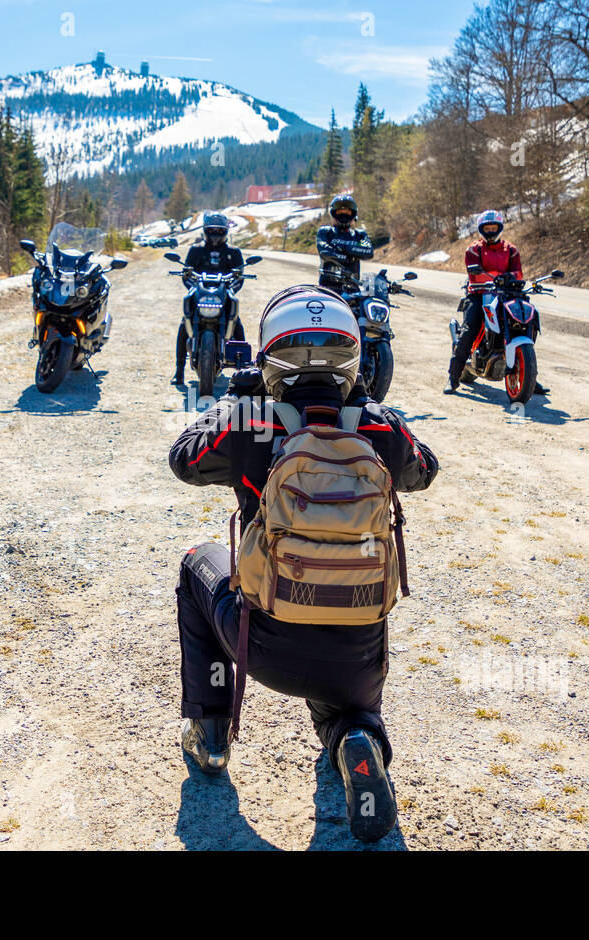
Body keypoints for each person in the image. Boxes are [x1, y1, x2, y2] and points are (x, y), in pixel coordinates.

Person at [168, 285, 438, 842]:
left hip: (263, 643)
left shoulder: (248, 422)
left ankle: (211, 732)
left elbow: (183, 459)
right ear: (352, 358)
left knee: (197, 562)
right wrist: (368, 408)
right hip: (357, 653)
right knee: (346, 704)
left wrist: (231, 401)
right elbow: (426, 469)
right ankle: (354, 737)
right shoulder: (380, 427)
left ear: (269, 354)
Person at [445, 209, 548, 395]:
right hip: (479, 294)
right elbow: (473, 274)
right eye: (487, 228)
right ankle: (453, 378)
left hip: (506, 294)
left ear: (500, 228)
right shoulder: (473, 249)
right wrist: (499, 277)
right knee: (469, 330)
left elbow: (518, 273)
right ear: (481, 230)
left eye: (494, 228)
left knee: (526, 321)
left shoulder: (511, 249)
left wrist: (508, 278)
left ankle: (529, 376)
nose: (491, 231)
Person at [173, 211, 246, 386]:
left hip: (223, 294)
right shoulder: (196, 250)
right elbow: (186, 273)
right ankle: (179, 370)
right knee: (185, 324)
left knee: (236, 323)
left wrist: (231, 290)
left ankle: (244, 369)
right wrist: (193, 287)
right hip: (200, 294)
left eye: (219, 230)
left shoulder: (233, 252)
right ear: (205, 230)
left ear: (225, 231)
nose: (215, 234)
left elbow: (240, 276)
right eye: (212, 230)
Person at [316, 193, 373, 296]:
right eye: (340, 211)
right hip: (328, 289)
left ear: (353, 214)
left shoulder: (360, 235)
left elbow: (368, 251)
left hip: (353, 289)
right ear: (333, 213)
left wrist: (342, 247)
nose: (344, 214)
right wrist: (351, 255)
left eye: (347, 211)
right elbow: (325, 252)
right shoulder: (325, 232)